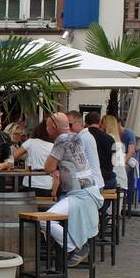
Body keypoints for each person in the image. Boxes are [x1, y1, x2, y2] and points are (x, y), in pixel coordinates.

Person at [39, 112, 100, 265]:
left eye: (47, 126)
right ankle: (69, 249)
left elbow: (48, 167)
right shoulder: (76, 136)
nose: (46, 130)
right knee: (52, 217)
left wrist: (56, 167)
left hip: (78, 195)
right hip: (89, 190)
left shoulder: (61, 139)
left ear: (53, 127)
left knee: (45, 220)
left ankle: (75, 247)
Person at [68, 111, 105, 190]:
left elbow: (74, 162)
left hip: (91, 184)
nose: (68, 127)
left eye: (70, 124)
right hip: (94, 182)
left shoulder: (81, 138)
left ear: (79, 123)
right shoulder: (85, 136)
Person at [15, 125, 54, 195]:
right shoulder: (53, 146)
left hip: (30, 183)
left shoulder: (30, 142)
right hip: (47, 184)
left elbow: (14, 156)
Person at [85, 112, 117, 190]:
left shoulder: (83, 137)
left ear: (85, 123)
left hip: (88, 179)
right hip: (107, 179)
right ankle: (106, 203)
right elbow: (114, 161)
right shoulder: (109, 139)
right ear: (99, 122)